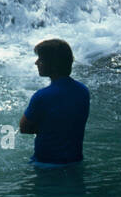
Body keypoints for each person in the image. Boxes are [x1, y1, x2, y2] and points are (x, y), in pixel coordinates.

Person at [19, 38, 90, 167]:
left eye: (40, 59)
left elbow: (24, 128)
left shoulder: (42, 96)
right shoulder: (83, 91)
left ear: (52, 65)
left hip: (45, 164)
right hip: (75, 161)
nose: (36, 63)